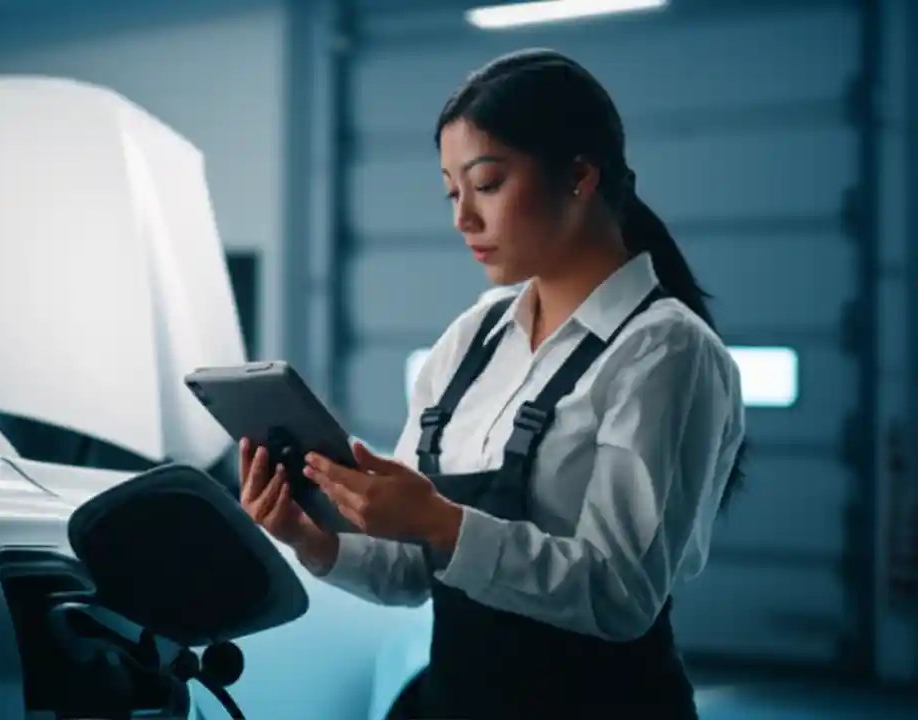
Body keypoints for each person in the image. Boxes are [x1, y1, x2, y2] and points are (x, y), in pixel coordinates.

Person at [238, 48, 747, 718]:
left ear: (580, 175)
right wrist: (314, 539)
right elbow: (412, 574)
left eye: (487, 183)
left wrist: (443, 521)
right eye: (453, 192)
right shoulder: (471, 339)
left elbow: (620, 596)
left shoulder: (665, 351)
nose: (463, 219)